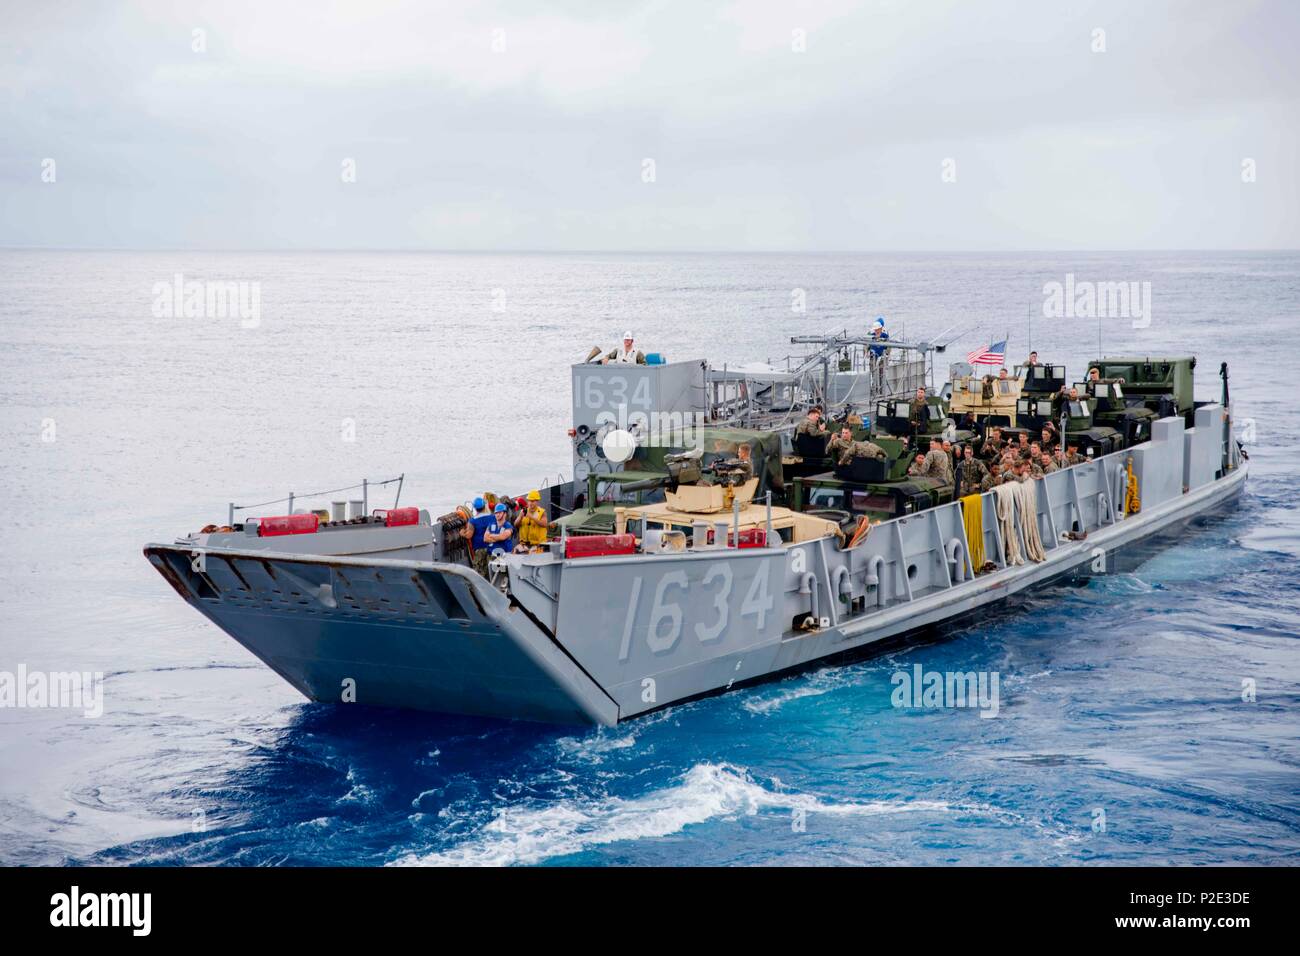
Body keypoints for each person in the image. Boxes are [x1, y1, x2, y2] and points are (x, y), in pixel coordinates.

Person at [465, 497, 495, 577]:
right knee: (492, 570)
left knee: (479, 571)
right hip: (492, 547)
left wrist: (462, 533)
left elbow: (469, 535)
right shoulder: (492, 517)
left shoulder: (472, 521)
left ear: (474, 508)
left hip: (479, 548)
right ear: (484, 506)